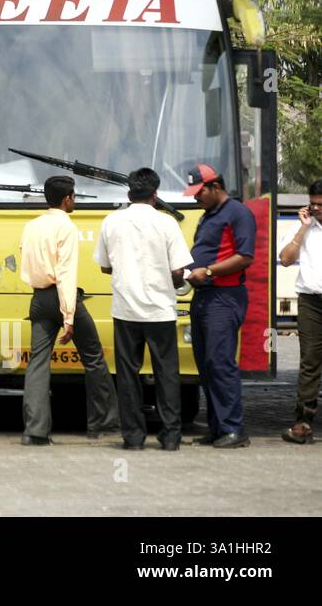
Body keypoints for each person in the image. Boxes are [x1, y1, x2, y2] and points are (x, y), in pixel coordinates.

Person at [94, 168, 193, 451]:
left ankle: (133, 437)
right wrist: (172, 278)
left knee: (127, 373)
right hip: (160, 310)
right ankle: (171, 436)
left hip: (125, 310)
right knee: (166, 372)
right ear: (155, 194)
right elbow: (178, 270)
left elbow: (104, 265)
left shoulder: (111, 222)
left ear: (128, 194)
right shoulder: (167, 223)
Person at [18, 175, 117, 445]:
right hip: (62, 298)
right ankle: (101, 423)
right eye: (73, 196)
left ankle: (35, 432)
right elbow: (65, 275)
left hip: (38, 298)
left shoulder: (31, 226)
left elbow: (25, 259)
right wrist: (69, 317)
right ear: (67, 199)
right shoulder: (67, 228)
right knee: (93, 356)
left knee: (37, 363)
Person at [184, 163, 256, 448]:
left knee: (220, 363)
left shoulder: (238, 213)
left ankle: (234, 430)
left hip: (224, 298)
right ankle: (217, 428)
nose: (195, 198)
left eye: (199, 192)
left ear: (216, 187)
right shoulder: (207, 216)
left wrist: (210, 271)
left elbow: (245, 256)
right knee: (206, 364)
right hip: (202, 297)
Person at [279, 179, 322, 444]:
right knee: (310, 362)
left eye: (321, 205)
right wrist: (303, 230)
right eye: (313, 204)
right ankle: (303, 421)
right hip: (311, 302)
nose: (316, 209)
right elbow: (285, 259)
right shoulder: (303, 226)